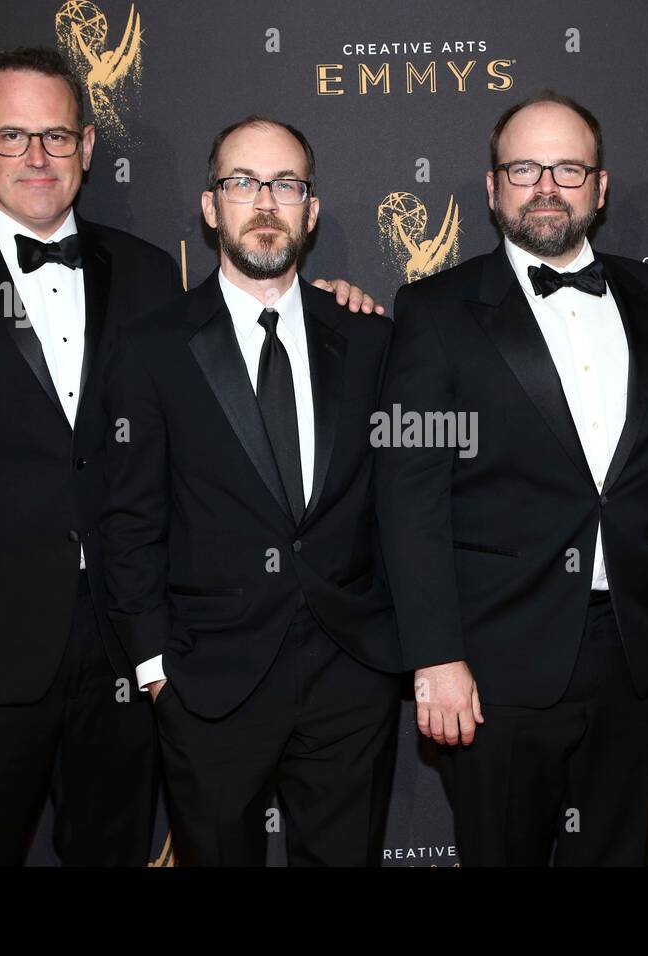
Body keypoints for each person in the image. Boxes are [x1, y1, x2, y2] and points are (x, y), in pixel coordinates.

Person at [0, 48, 377, 865]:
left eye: (55, 135)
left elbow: (251, 316)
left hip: (129, 656)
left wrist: (331, 300)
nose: (38, 157)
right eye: (13, 136)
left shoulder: (149, 273)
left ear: (88, 146)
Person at [376, 91, 648, 866]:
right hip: (493, 667)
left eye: (569, 167)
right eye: (524, 167)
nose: (546, 184)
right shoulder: (435, 310)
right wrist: (436, 658)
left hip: (633, 657)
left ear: (601, 186)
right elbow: (408, 500)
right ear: (491, 187)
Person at [101, 116, 402, 866]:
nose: (265, 201)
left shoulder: (368, 337)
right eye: (243, 183)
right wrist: (154, 670)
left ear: (311, 208)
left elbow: (406, 503)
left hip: (350, 676)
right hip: (206, 680)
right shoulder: (152, 347)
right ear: (211, 207)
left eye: (286, 185)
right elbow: (129, 517)